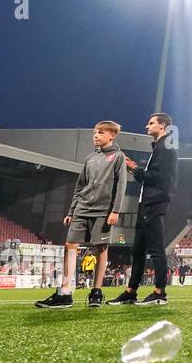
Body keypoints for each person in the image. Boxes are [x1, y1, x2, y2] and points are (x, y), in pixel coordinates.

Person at [36, 121, 128, 309]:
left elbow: (121, 186)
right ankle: (66, 292)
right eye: (95, 132)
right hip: (82, 208)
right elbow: (80, 186)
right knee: (70, 245)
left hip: (103, 210)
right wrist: (71, 211)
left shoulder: (118, 157)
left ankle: (96, 291)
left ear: (112, 135)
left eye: (100, 132)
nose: (96, 135)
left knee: (101, 247)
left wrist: (115, 210)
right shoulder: (90, 158)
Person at [112, 113, 179, 306]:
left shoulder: (166, 147)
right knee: (137, 249)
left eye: (151, 123)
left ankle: (160, 292)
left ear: (162, 125)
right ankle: (131, 291)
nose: (146, 126)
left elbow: (159, 177)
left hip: (154, 203)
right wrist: (137, 168)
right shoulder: (160, 147)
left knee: (156, 248)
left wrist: (134, 169)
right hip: (146, 203)